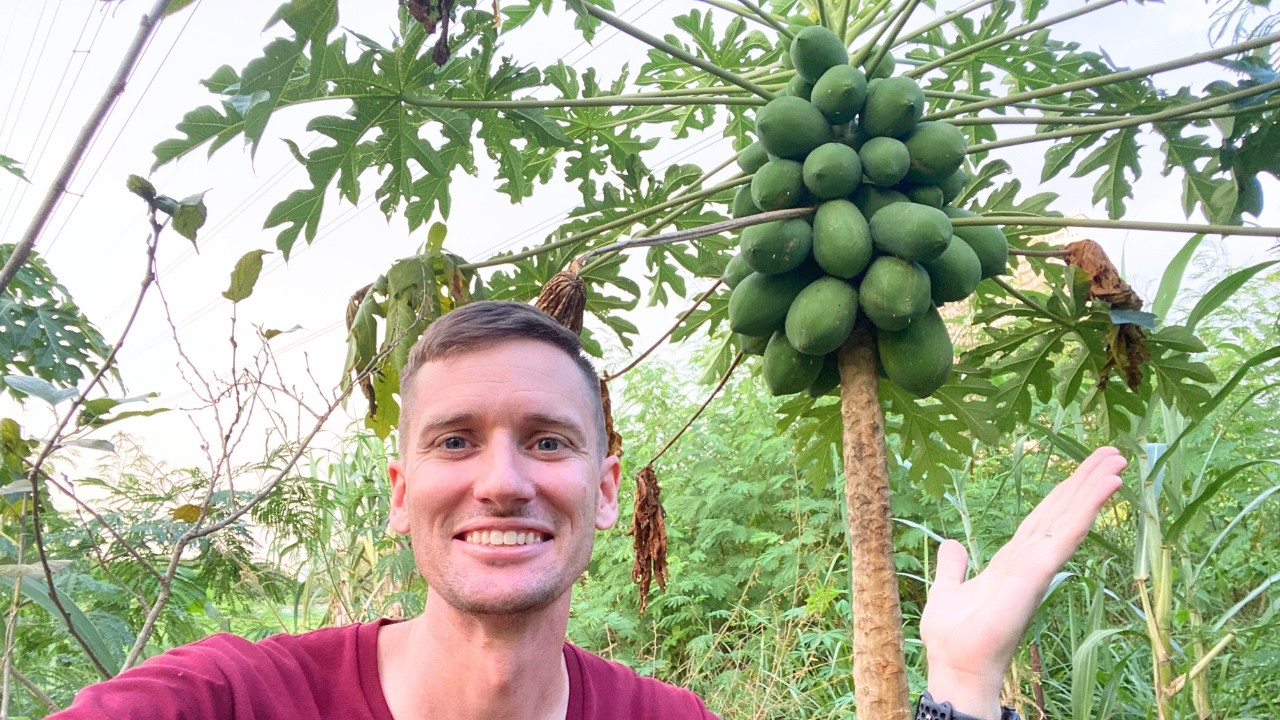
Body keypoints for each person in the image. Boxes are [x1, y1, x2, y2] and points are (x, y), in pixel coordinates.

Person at [51, 301, 1128, 720]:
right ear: (398, 496)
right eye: (456, 440)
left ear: (609, 492)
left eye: (550, 441)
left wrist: (958, 686)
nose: (505, 480)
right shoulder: (223, 703)